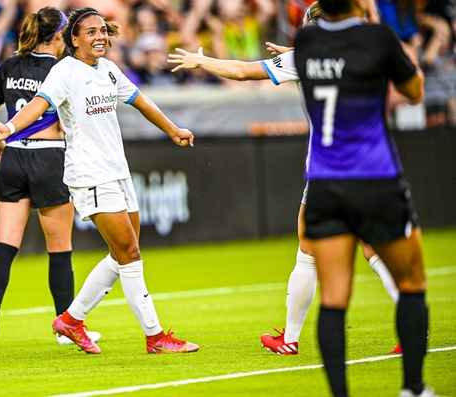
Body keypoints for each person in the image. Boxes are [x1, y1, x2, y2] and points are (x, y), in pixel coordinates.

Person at [167, 1, 403, 356]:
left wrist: (203, 61)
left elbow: (244, 72)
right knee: (374, 248)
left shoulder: (304, 59)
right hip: (372, 164)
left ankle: (290, 339)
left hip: (328, 168)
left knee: (307, 253)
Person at [0, 7, 199, 355]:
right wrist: (8, 128)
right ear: (74, 39)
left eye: (103, 30)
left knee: (123, 253)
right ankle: (155, 336)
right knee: (128, 253)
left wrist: (173, 129)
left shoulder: (109, 70)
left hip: (118, 171)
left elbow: (141, 102)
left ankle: (71, 320)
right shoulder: (64, 72)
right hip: (90, 174)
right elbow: (38, 105)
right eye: (90, 32)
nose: (100, 36)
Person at [295, 0, 429, 395]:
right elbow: (415, 91)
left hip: (324, 182)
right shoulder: (377, 38)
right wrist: (372, 19)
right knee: (412, 282)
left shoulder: (305, 43)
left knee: (334, 298)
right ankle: (413, 388)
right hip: (376, 180)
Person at [0, 6, 99, 350]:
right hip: (49, 156)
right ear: (59, 37)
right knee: (59, 250)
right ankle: (65, 328)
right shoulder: (65, 69)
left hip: (14, 156)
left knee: (4, 245)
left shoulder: (10, 65)